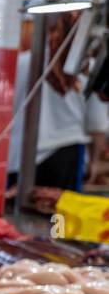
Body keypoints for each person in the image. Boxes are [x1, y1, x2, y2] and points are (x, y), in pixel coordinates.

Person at [8, 13, 109, 191]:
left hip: (19, 153)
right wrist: (96, 161)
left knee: (17, 207)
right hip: (64, 152)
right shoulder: (85, 68)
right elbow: (96, 123)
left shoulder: (20, 63)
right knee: (58, 215)